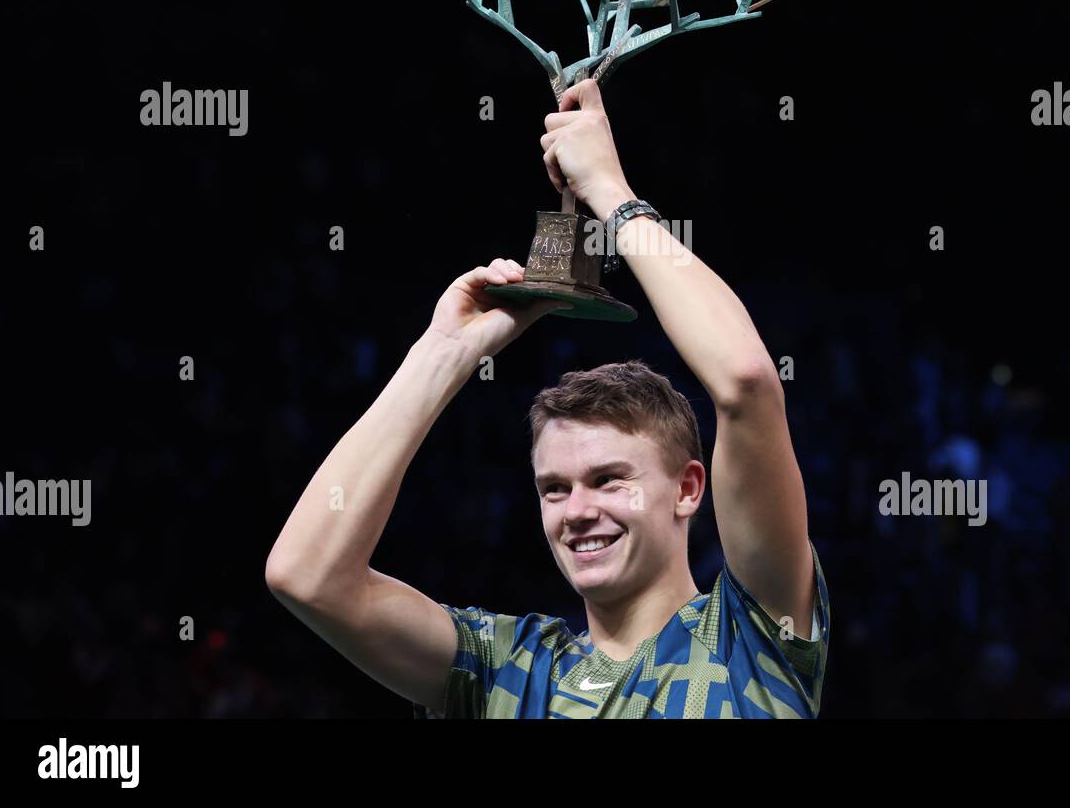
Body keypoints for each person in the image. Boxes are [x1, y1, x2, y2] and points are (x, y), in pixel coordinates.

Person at [265, 78, 830, 717]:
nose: (577, 510)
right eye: (554, 488)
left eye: (609, 479)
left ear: (687, 489)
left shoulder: (751, 639)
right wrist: (441, 355)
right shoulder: (507, 671)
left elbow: (747, 383)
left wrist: (611, 195)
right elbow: (307, 577)